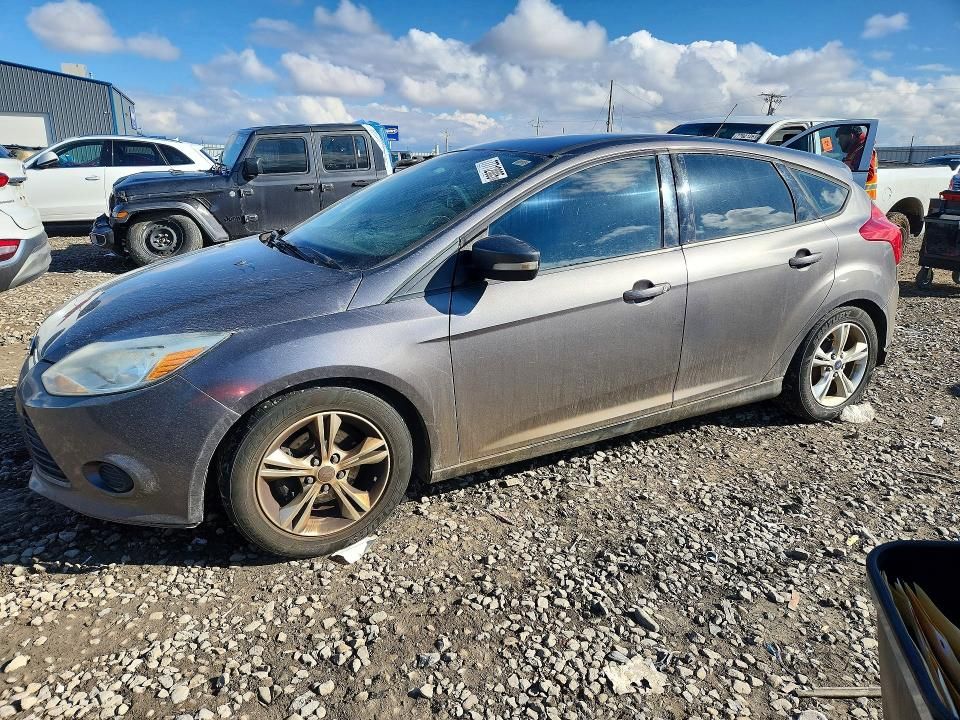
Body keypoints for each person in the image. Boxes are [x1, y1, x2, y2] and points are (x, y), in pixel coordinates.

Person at [837, 125, 878, 199]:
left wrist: (845, 173)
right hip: (859, 197)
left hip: (864, 199)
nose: (839, 142)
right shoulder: (857, 149)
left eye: (841, 138)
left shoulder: (864, 149)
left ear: (851, 136)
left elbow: (868, 174)